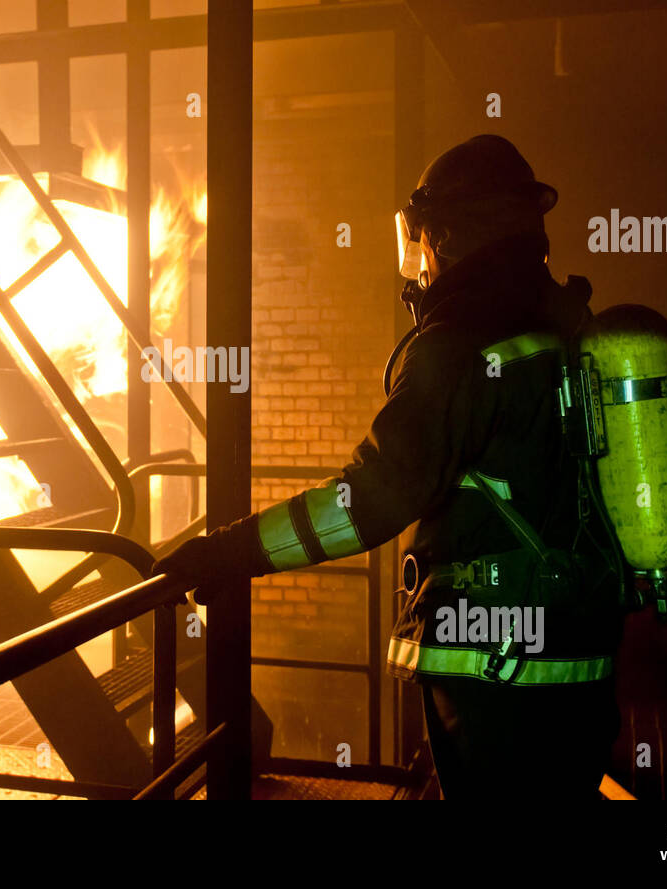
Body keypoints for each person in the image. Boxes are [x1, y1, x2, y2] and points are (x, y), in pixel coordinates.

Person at [153, 134, 624, 799]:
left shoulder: (458, 349)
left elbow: (368, 500)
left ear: (449, 235)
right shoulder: (574, 330)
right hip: (582, 659)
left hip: (494, 673)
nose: (417, 265)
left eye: (423, 240)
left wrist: (230, 552)